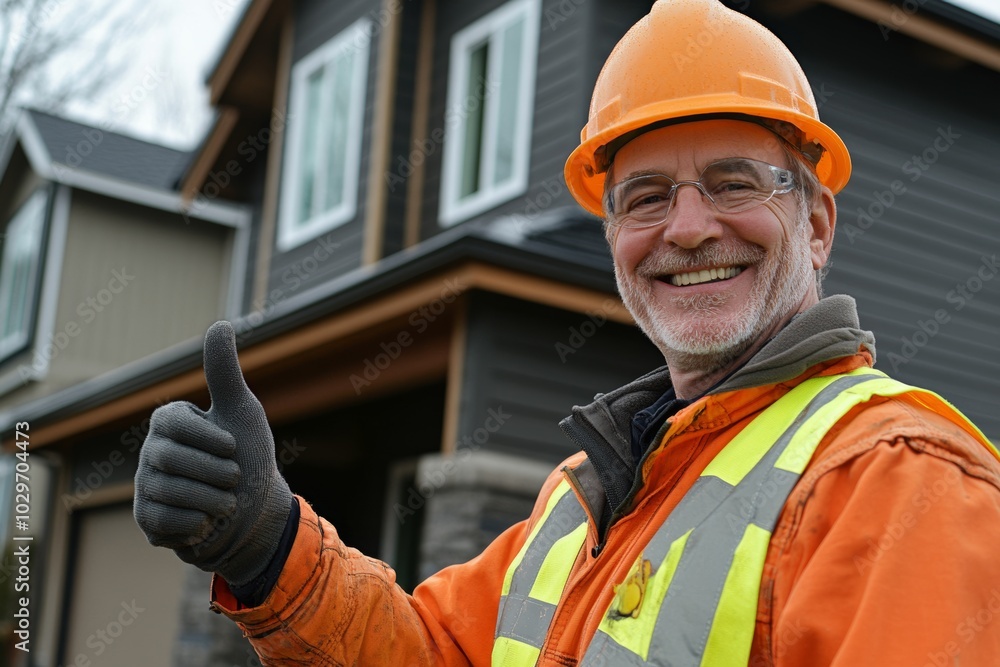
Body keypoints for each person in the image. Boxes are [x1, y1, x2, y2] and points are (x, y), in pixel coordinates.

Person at [134, 0, 1000, 664]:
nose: (689, 227)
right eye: (648, 197)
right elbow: (434, 652)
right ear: (613, 237)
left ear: (816, 225)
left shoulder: (900, 483)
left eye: (735, 183)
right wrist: (269, 543)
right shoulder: (584, 497)